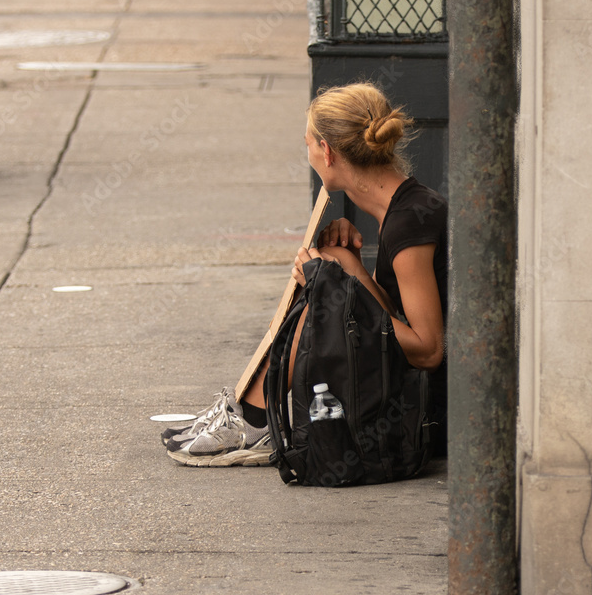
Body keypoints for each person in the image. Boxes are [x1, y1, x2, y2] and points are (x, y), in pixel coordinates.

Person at [164, 82, 448, 466]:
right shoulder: (402, 207)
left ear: (327, 152)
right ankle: (252, 412)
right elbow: (392, 314)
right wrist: (349, 268)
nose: (309, 150)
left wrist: (334, 281)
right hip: (416, 398)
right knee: (323, 273)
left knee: (319, 285)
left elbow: (429, 349)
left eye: (310, 142)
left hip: (431, 414)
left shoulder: (408, 224)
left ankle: (256, 419)